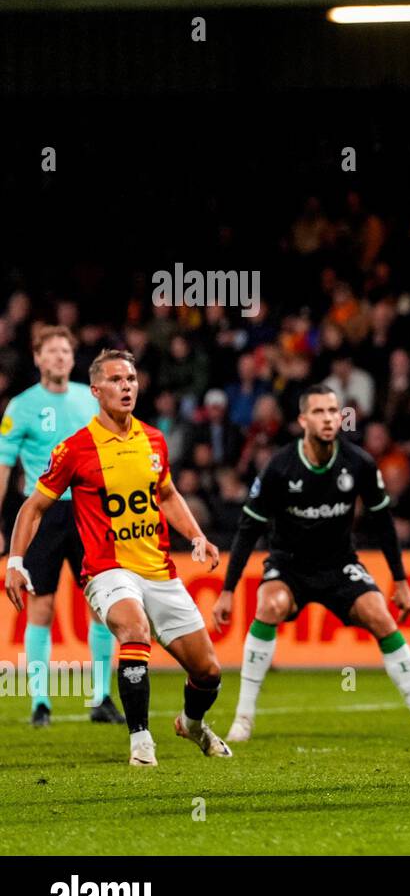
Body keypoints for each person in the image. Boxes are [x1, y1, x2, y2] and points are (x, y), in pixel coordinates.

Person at [5, 349, 229, 766]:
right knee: (134, 629)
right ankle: (141, 740)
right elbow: (33, 507)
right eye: (115, 380)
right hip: (107, 570)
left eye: (130, 379)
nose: (126, 387)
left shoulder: (154, 439)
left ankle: (192, 724)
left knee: (208, 672)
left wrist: (197, 536)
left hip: (158, 569)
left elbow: (167, 494)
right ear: (95, 390)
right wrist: (16, 562)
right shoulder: (75, 449)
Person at [213, 386, 410, 742]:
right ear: (303, 420)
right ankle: (243, 719)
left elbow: (383, 523)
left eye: (332, 411)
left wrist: (400, 581)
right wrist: (228, 590)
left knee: (380, 616)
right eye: (319, 412)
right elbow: (249, 530)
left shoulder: (359, 463)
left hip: (339, 565)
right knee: (270, 604)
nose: (328, 419)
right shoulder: (280, 466)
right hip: (289, 566)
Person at [0, 325, 124, 726]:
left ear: (73, 359)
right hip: (43, 512)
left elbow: (115, 454)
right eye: (51, 351)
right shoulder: (21, 406)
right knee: (43, 605)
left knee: (100, 603)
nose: (59, 357)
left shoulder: (91, 399)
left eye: (65, 352)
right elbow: (3, 466)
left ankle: (101, 697)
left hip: (90, 511)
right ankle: (41, 701)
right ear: (38, 358)